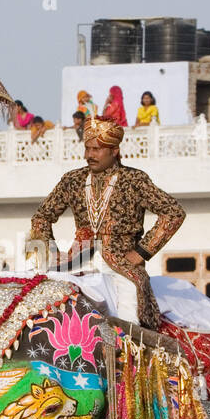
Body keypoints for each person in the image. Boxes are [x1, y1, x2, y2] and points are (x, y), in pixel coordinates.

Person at [29, 117, 186, 329]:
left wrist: (142, 252)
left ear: (114, 150)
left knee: (129, 313)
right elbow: (41, 216)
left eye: (96, 149)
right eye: (87, 149)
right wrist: (52, 251)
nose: (88, 156)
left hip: (121, 264)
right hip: (78, 259)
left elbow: (173, 212)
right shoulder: (73, 180)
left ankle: (127, 355)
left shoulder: (134, 180)